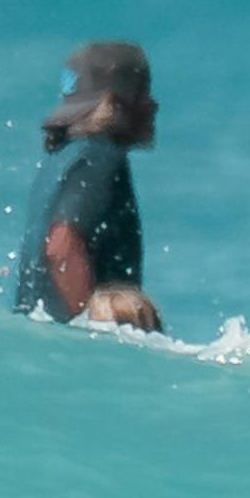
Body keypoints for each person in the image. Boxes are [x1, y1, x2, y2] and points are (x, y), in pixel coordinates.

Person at [17, 41, 167, 334]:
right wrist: (92, 327)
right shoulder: (100, 157)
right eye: (143, 94)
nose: (153, 106)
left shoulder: (59, 159)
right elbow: (62, 246)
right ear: (118, 103)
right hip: (72, 348)